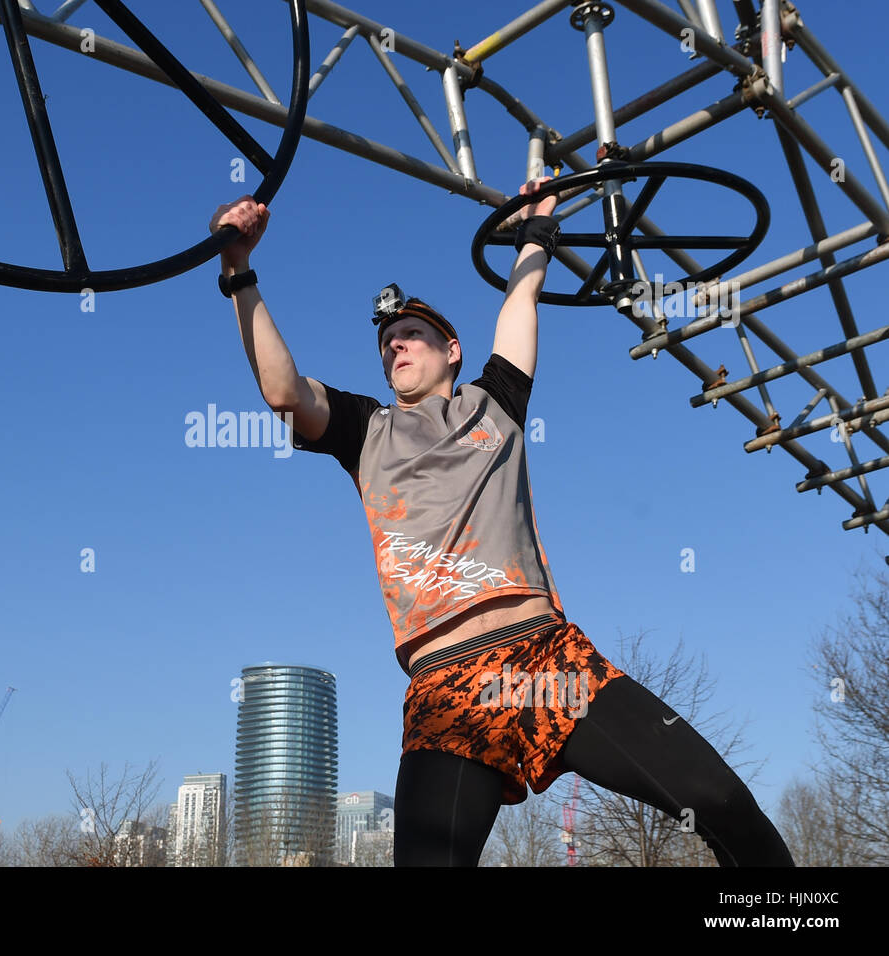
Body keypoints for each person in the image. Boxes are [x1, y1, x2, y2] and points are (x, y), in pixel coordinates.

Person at [208, 181, 795, 867]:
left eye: (411, 336)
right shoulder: (365, 430)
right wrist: (238, 270)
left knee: (723, 804)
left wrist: (537, 229)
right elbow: (283, 390)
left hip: (547, 661)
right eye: (387, 343)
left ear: (452, 350)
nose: (396, 347)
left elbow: (521, 301)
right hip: (449, 688)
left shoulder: (497, 404)